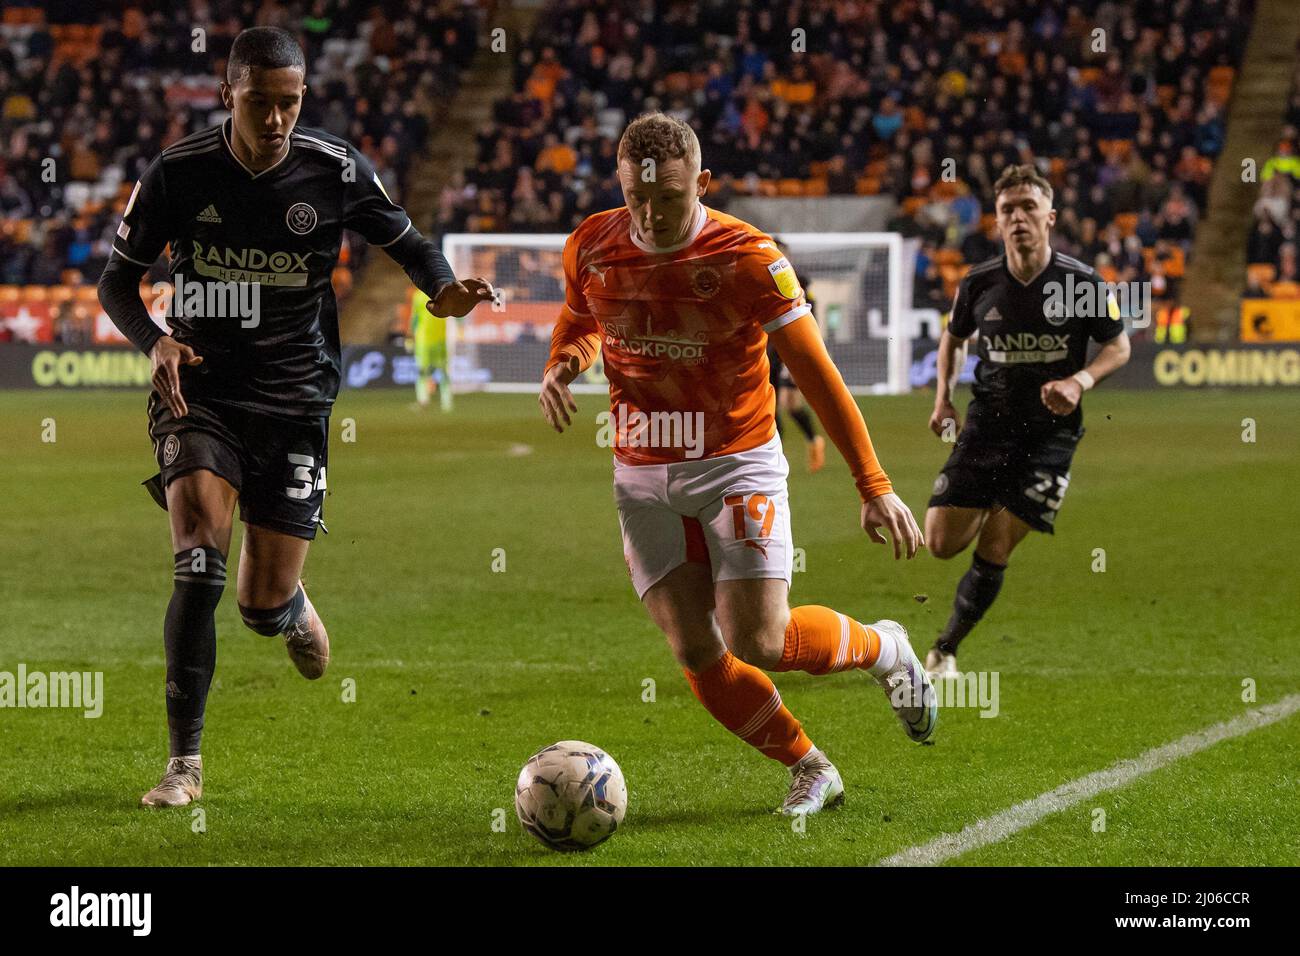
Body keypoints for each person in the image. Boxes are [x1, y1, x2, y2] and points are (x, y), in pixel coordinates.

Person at [97, 27, 494, 807]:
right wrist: (156, 342)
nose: (276, 118)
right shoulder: (178, 173)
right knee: (197, 564)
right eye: (260, 102)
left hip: (295, 398)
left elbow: (409, 243)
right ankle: (185, 765)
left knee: (255, 605)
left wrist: (441, 289)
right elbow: (118, 281)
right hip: (200, 392)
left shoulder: (337, 168)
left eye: (290, 102)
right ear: (228, 94)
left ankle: (286, 606)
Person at [537, 113, 934, 817]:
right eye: (638, 198)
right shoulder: (590, 244)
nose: (652, 215)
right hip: (640, 471)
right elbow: (580, 317)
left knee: (759, 639)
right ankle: (810, 767)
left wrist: (872, 483)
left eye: (671, 199)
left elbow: (816, 374)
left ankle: (885, 650)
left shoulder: (749, 257)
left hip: (735, 463)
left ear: (705, 184)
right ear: (621, 184)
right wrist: (563, 363)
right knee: (695, 648)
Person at [924, 164, 1131, 677]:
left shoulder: (1081, 282)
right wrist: (942, 400)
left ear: (1050, 217)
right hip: (988, 424)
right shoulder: (978, 283)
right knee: (941, 544)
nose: (1018, 217)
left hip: (1049, 437)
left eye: (1028, 208)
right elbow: (954, 338)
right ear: (996, 221)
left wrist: (1080, 381)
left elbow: (1119, 346)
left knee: (995, 546)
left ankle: (944, 649)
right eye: (1008, 210)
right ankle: (993, 494)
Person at [766, 238, 826, 472]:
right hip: (768, 355)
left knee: (788, 404)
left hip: (790, 355)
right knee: (771, 406)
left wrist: (798, 360)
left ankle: (812, 441)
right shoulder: (758, 281)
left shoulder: (798, 288)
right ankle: (775, 455)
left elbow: (810, 324)